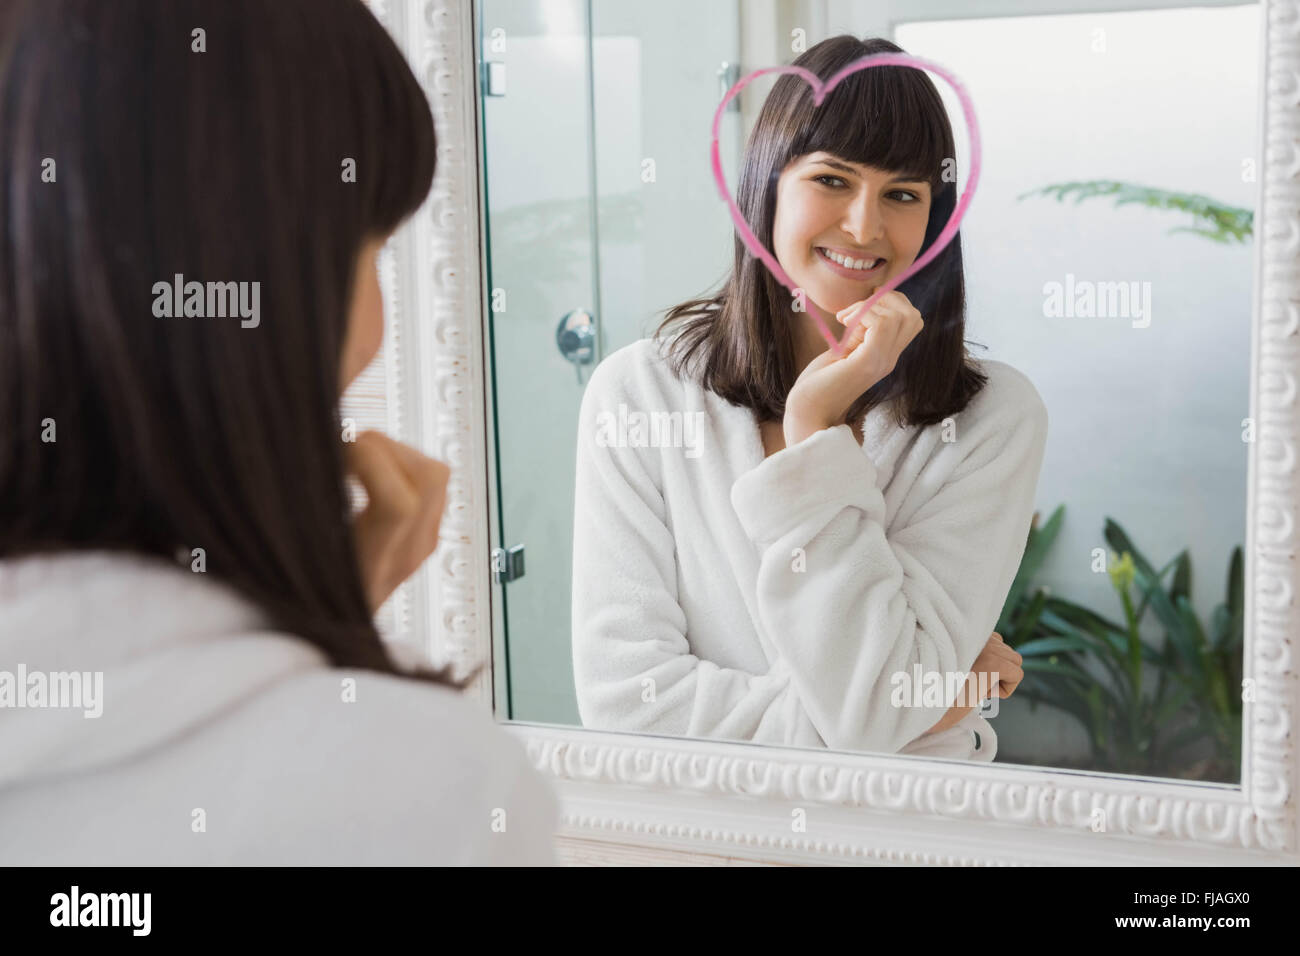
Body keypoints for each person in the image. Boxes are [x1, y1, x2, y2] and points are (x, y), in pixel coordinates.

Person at [0, 0, 557, 865]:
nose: (377, 329)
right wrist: (329, 671)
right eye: (369, 247)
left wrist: (301, 643)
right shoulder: (417, 796)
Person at [571, 35, 1042, 761]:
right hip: (697, 836)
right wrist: (909, 709)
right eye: (831, 180)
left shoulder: (991, 420)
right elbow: (624, 704)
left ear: (935, 219)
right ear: (767, 184)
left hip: (903, 836)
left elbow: (881, 709)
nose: (863, 226)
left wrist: (815, 427)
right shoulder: (638, 397)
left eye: (903, 194)